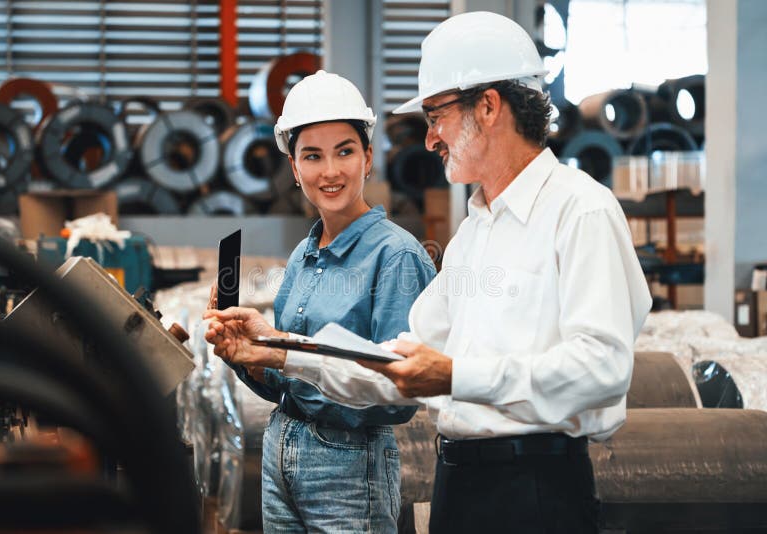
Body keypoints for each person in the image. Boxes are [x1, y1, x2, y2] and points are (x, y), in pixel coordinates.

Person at [206, 12, 653, 534]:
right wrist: (280, 349)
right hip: (461, 485)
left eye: (436, 115)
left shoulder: (581, 212)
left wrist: (454, 375)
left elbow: (602, 368)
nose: (429, 138)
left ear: (487, 106)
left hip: (535, 488)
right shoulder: (476, 230)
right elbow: (398, 359)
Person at [205, 70, 436, 533]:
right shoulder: (303, 255)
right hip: (280, 450)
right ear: (294, 168)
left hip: (349, 465)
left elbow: (401, 396)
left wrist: (285, 358)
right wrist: (246, 356)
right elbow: (286, 382)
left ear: (368, 159)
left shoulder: (396, 256)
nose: (330, 172)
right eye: (312, 156)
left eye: (345, 152)